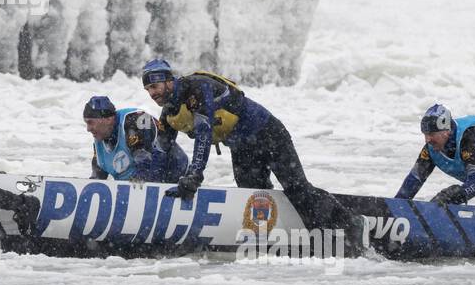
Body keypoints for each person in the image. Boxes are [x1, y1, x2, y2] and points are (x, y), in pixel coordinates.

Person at [141, 59, 359, 240]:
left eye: (155, 87)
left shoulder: (197, 88)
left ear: (169, 81)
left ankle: (351, 224)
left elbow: (204, 135)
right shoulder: (169, 114)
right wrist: (151, 186)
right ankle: (279, 236)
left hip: (269, 135)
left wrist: (194, 176)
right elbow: (162, 150)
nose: (152, 93)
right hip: (243, 147)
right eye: (148, 89)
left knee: (297, 189)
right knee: (254, 196)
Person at [84, 95, 189, 183]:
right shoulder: (100, 136)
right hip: (142, 181)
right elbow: (97, 178)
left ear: (108, 119)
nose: (88, 129)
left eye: (90, 122)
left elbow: (146, 165)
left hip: (177, 176)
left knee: (141, 177)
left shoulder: (135, 120)